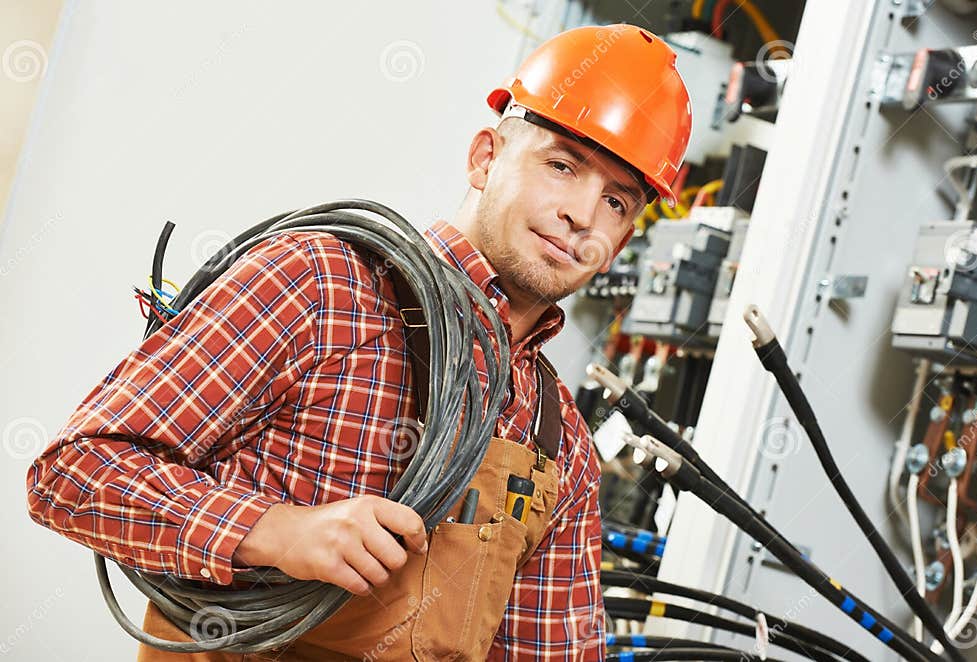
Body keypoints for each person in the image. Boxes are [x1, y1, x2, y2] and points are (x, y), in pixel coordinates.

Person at [26, 21, 691, 661]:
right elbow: (73, 473)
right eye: (562, 166)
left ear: (624, 238)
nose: (581, 214)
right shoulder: (322, 288)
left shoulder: (562, 443)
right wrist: (273, 532)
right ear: (485, 158)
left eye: (616, 202)